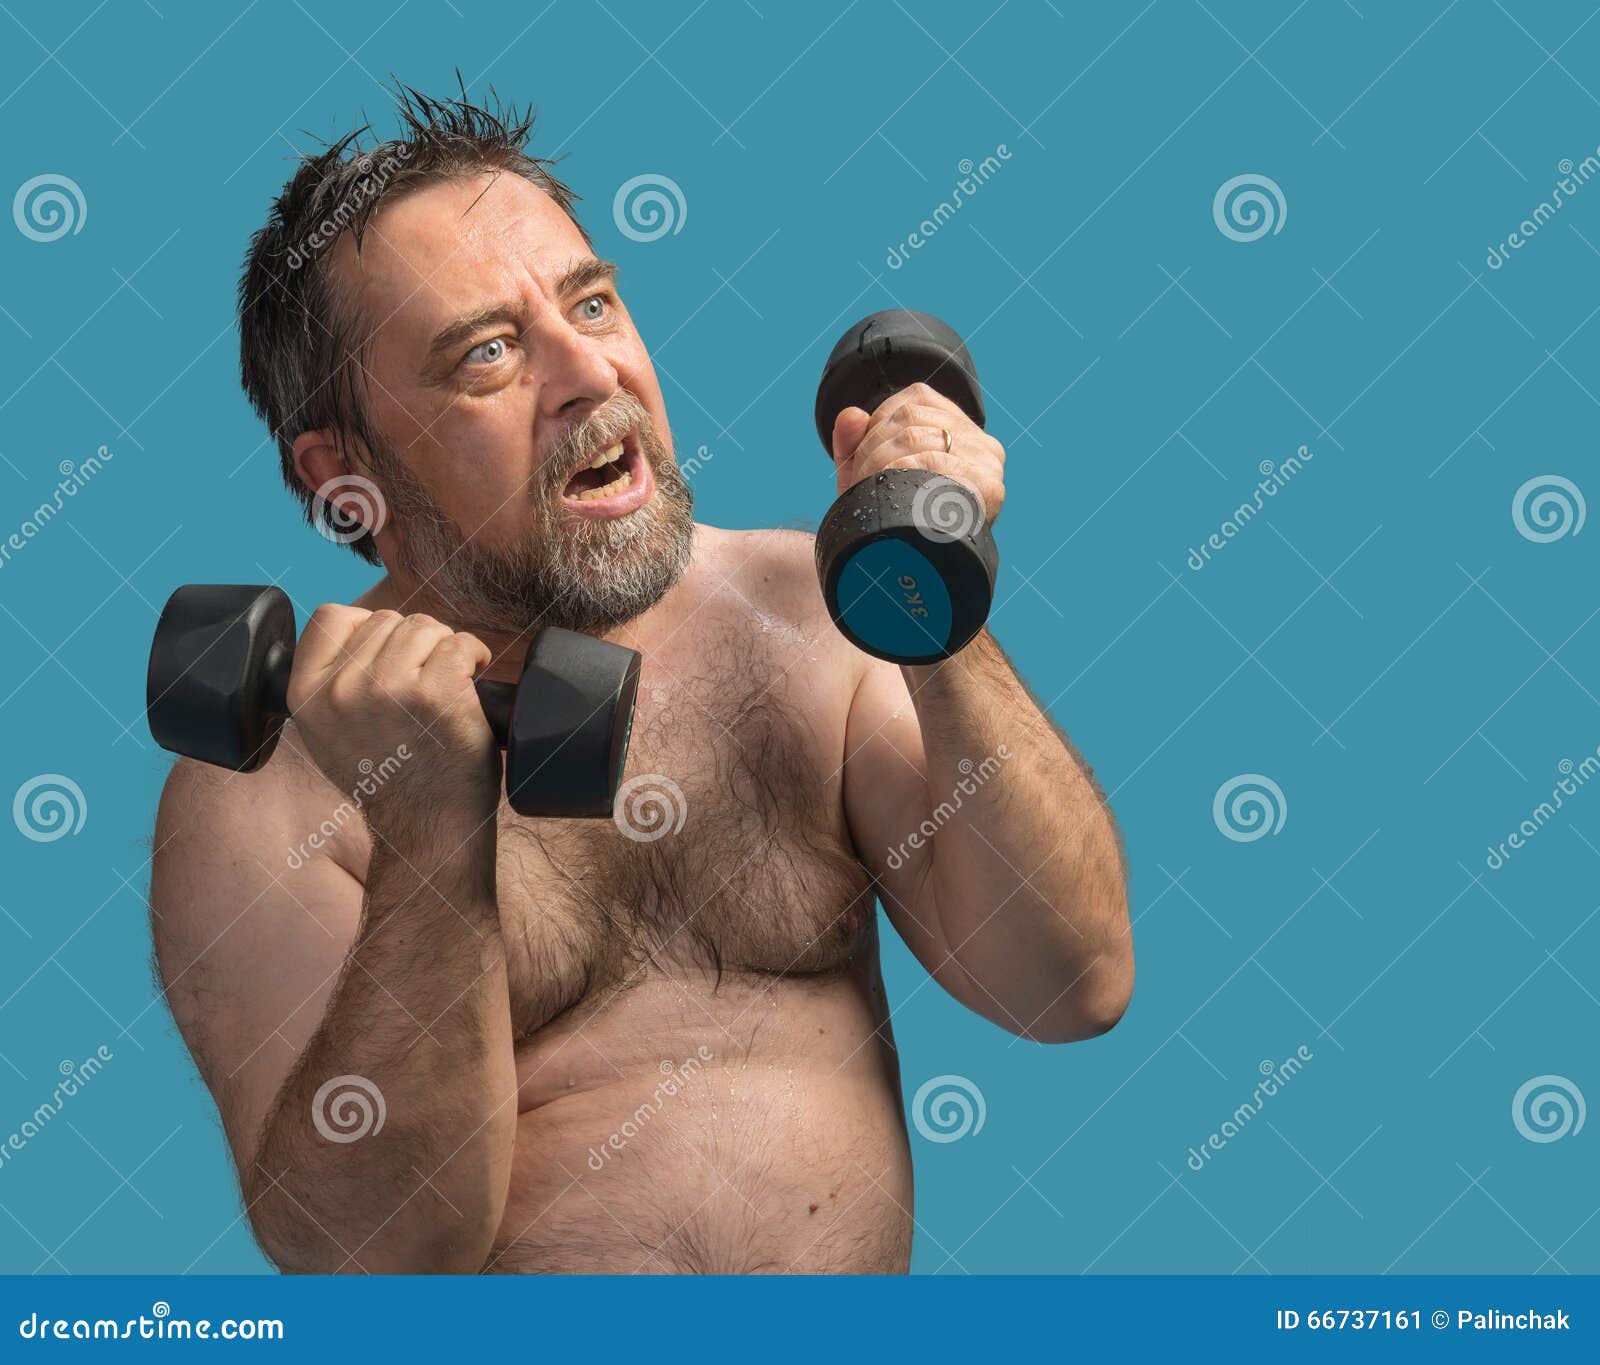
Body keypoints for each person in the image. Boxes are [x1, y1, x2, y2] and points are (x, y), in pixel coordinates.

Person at [150, 85, 1131, 1274]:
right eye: (489, 353)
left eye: (594, 303)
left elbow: (1066, 984)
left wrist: (927, 604)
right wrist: (429, 836)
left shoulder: (808, 623)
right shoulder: (273, 785)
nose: (589, 374)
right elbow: (365, 1250)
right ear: (341, 471)